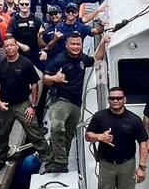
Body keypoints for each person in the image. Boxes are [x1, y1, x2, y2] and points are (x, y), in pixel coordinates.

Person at [85, 86, 149, 189]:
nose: (115, 101)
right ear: (108, 100)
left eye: (118, 98)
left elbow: (143, 143)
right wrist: (100, 136)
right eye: (112, 98)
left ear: (124, 100)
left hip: (127, 164)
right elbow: (88, 136)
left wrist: (142, 167)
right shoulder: (100, 117)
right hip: (107, 164)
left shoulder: (134, 120)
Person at [41, 32, 104, 172]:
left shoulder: (82, 58)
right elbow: (44, 79)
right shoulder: (59, 59)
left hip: (77, 104)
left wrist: (104, 41)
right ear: (66, 45)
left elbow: (97, 58)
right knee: (57, 127)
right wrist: (54, 79)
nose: (75, 47)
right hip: (62, 101)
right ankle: (59, 162)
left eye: (78, 44)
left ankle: (59, 163)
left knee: (68, 135)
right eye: (73, 44)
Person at [0, 33, 50, 172]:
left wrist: (33, 107)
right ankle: (0, 159)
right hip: (5, 106)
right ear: (4, 49)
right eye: (6, 46)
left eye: (12, 45)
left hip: (23, 104)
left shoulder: (26, 63)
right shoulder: (0, 65)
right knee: (3, 133)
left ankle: (47, 159)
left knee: (34, 133)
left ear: (17, 46)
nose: (9, 48)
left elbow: (35, 85)